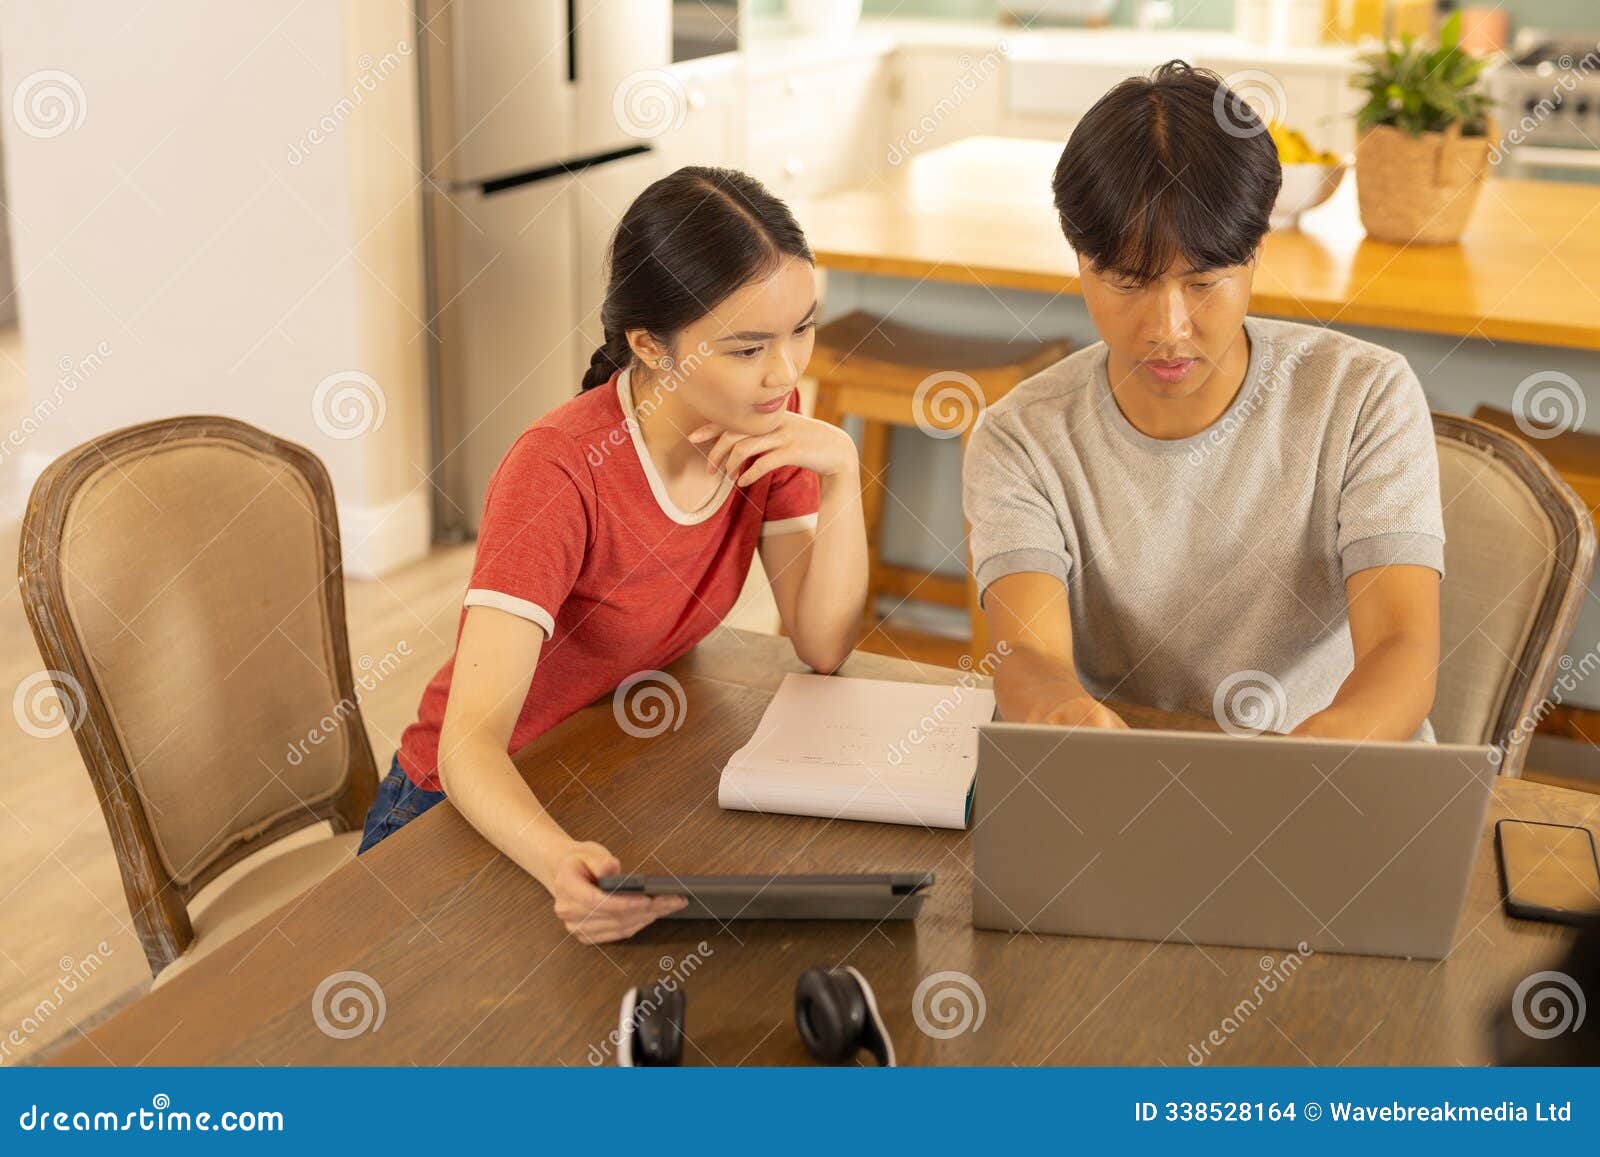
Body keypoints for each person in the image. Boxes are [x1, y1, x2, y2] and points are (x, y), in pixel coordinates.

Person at [360, 166, 868, 945]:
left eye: (802, 326)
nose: (786, 370)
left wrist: (842, 474)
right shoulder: (558, 471)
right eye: (746, 347)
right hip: (463, 811)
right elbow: (467, 746)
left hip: (598, 768)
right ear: (649, 346)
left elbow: (822, 643)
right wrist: (556, 856)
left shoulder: (769, 418)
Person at [963, 61, 1444, 741]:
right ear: (1079, 259)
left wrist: (1312, 759)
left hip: (1333, 770)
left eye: (1203, 283)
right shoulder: (1021, 437)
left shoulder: (1363, 396)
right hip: (1122, 774)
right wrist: (1064, 718)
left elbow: (1404, 648)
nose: (1167, 329)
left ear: (1254, 254)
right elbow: (1028, 655)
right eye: (1128, 284)